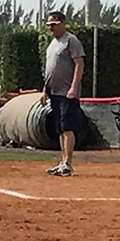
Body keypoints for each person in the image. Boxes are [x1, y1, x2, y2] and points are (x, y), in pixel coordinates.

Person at [39, 10, 86, 176]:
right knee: (59, 128)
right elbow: (50, 70)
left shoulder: (71, 40)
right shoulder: (53, 44)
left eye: (54, 25)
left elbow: (79, 63)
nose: (51, 28)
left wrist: (74, 87)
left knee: (67, 127)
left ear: (63, 23)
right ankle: (62, 161)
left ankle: (68, 163)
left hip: (67, 92)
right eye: (49, 25)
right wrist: (45, 91)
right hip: (54, 92)